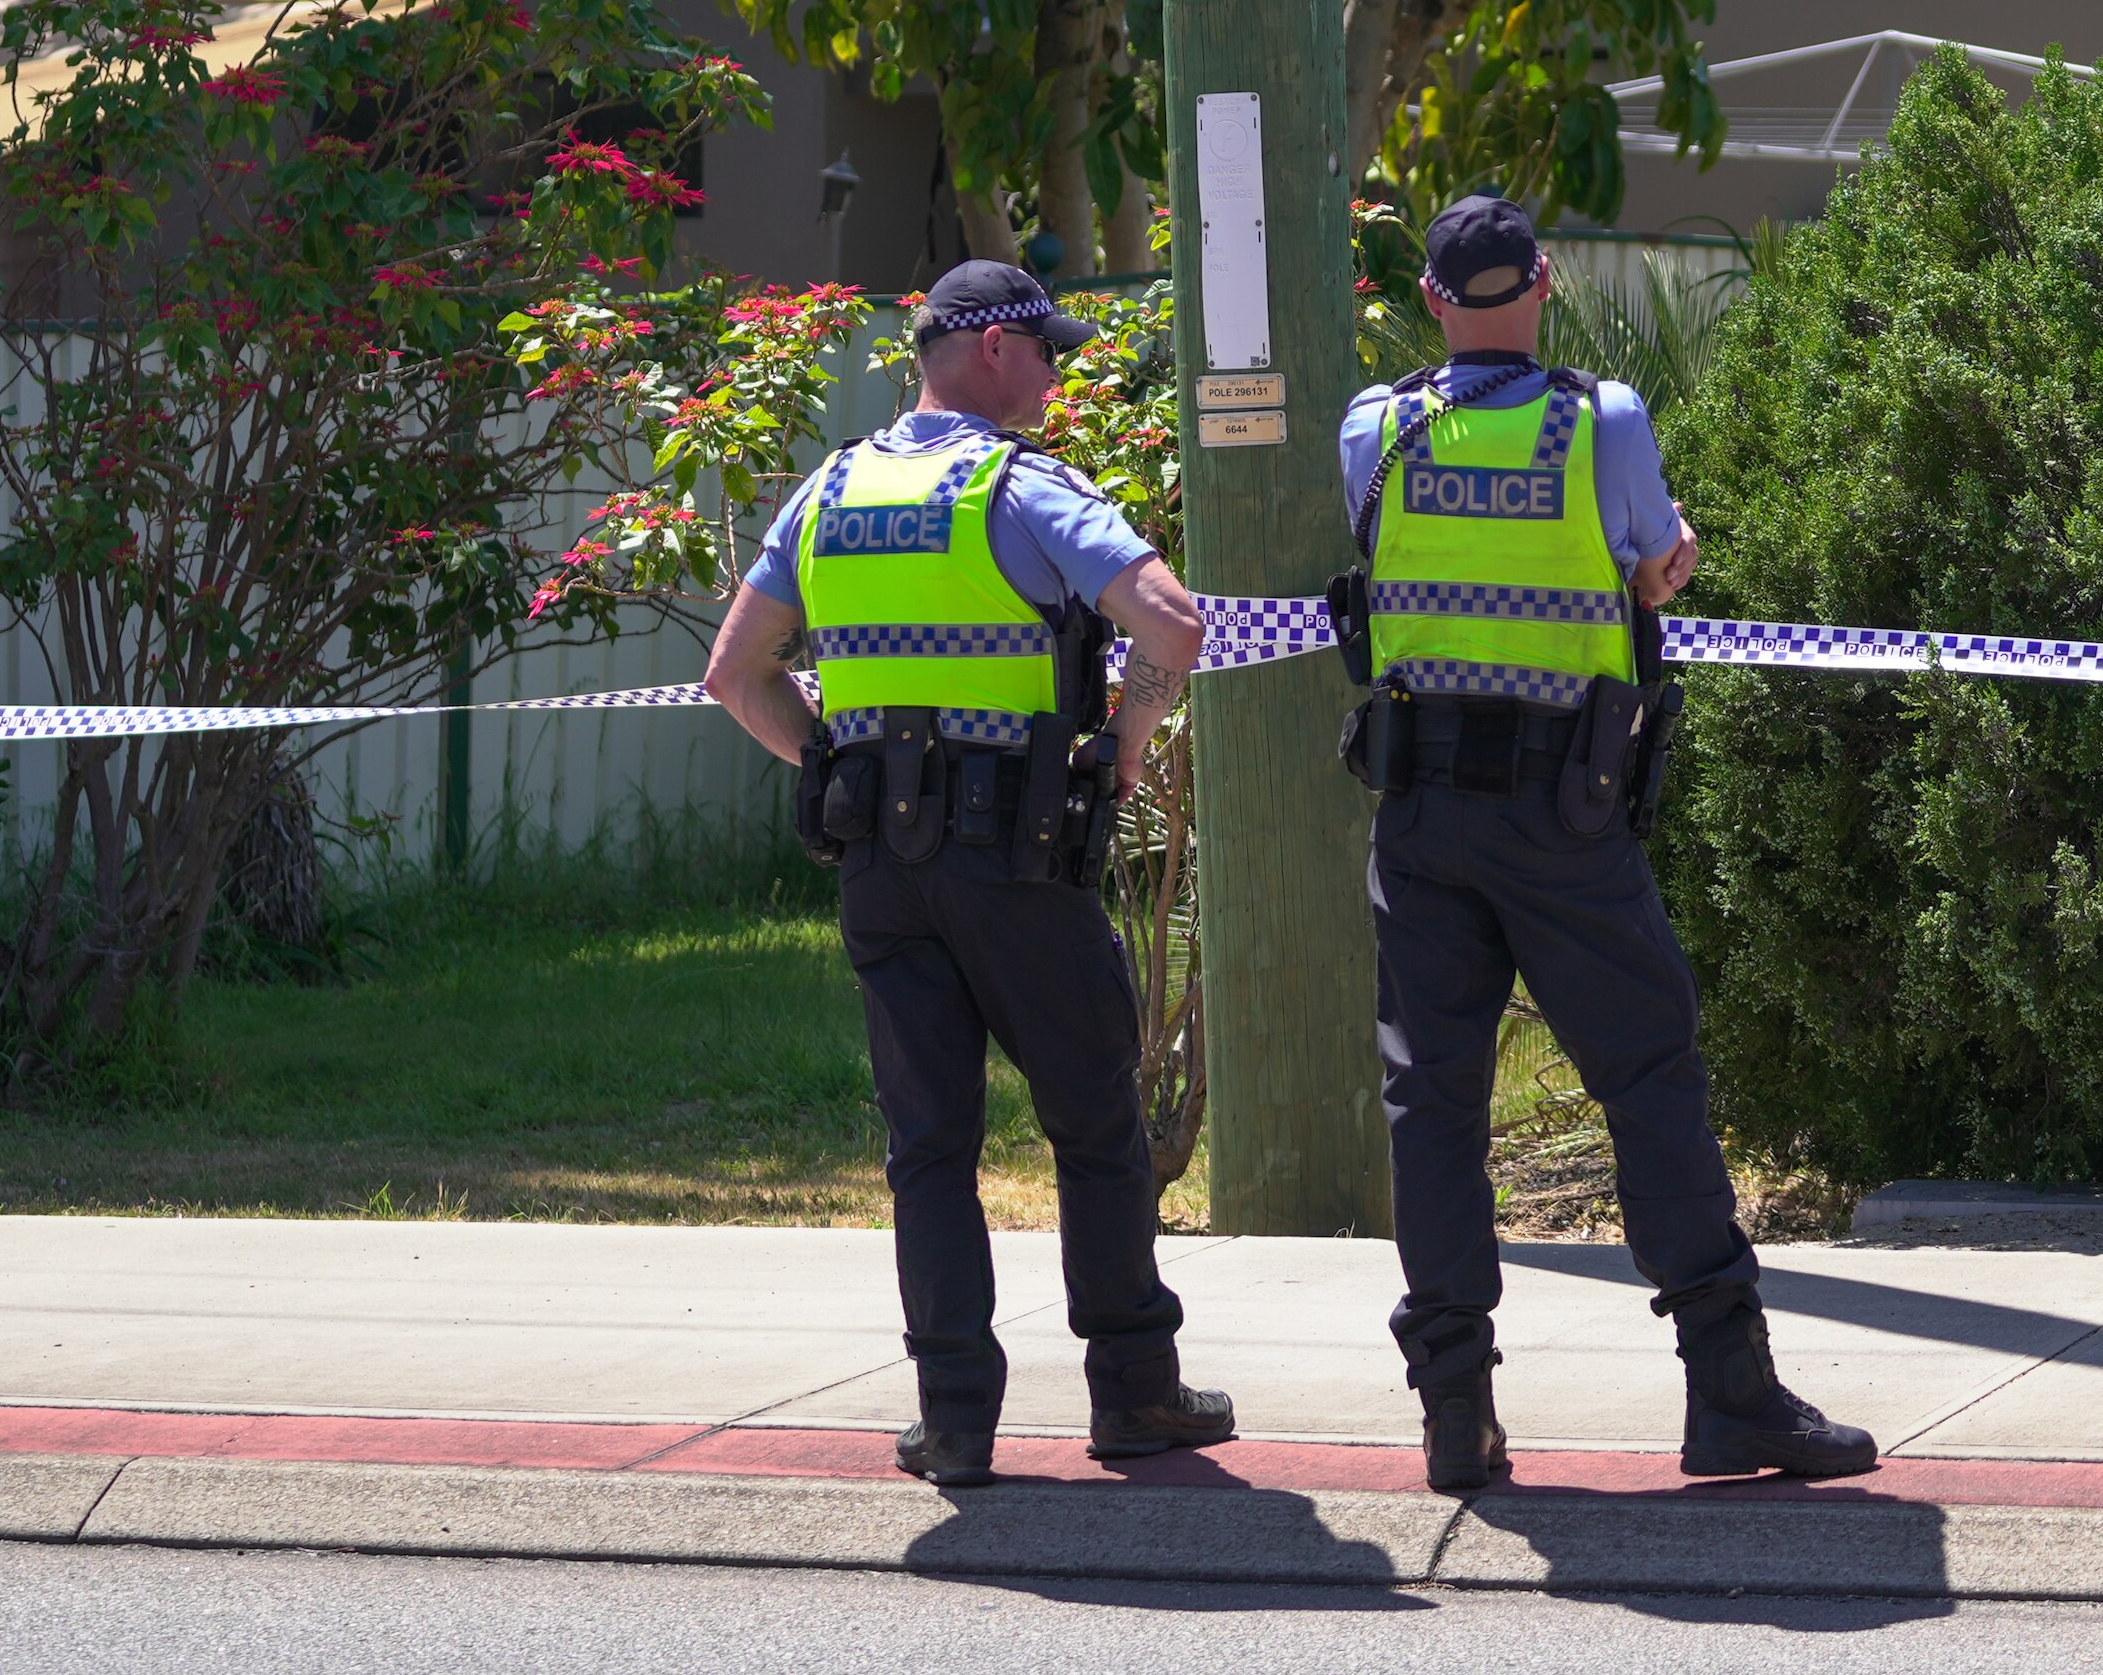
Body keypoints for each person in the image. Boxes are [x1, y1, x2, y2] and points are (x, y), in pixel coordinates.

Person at [1336, 191, 1875, 1494]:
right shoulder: (1601, 419)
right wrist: (1661, 555)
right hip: (1561, 810)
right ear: (1546, 285)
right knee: (1649, 1075)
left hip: (1419, 814)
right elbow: (1655, 566)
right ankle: (1730, 1389)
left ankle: (1455, 1411)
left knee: (1434, 1102)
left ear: (1429, 302)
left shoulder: (1376, 426)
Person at [703, 258, 1236, 1487]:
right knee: (1096, 1123)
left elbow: (735, 672)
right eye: (1042, 345)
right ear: (989, 348)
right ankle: (1133, 1395)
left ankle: (953, 1419)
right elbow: (1172, 621)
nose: (1054, 367)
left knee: (927, 1142)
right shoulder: (1019, 485)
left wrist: (830, 758)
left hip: (882, 866)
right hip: (1017, 860)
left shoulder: (827, 488)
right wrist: (1126, 743)